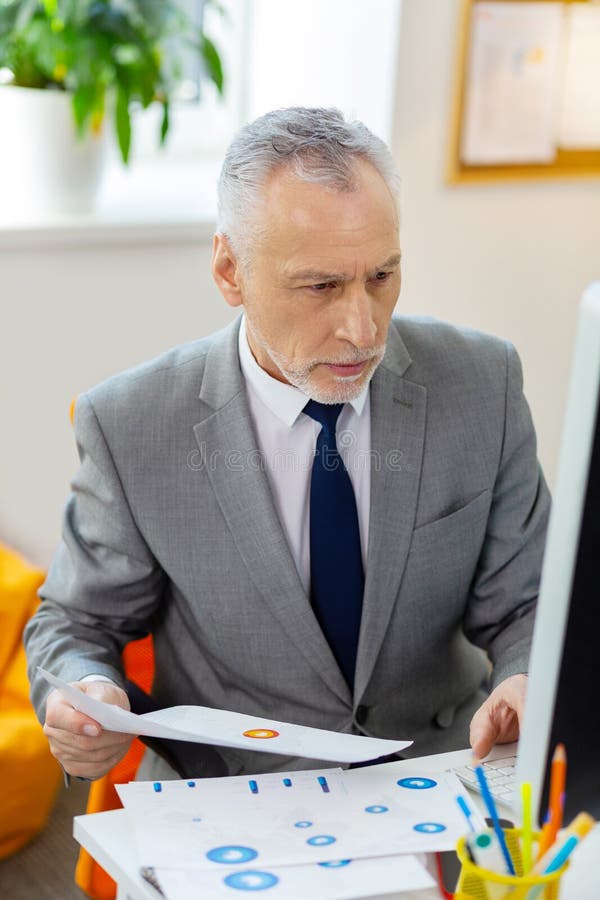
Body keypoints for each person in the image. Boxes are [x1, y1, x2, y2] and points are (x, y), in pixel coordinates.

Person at [24, 107, 550, 783]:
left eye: (381, 277)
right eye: (321, 286)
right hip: (230, 789)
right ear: (229, 271)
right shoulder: (130, 423)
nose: (362, 329)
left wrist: (527, 676)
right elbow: (76, 625)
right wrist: (85, 696)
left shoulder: (484, 384)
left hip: (444, 772)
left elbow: (531, 602)